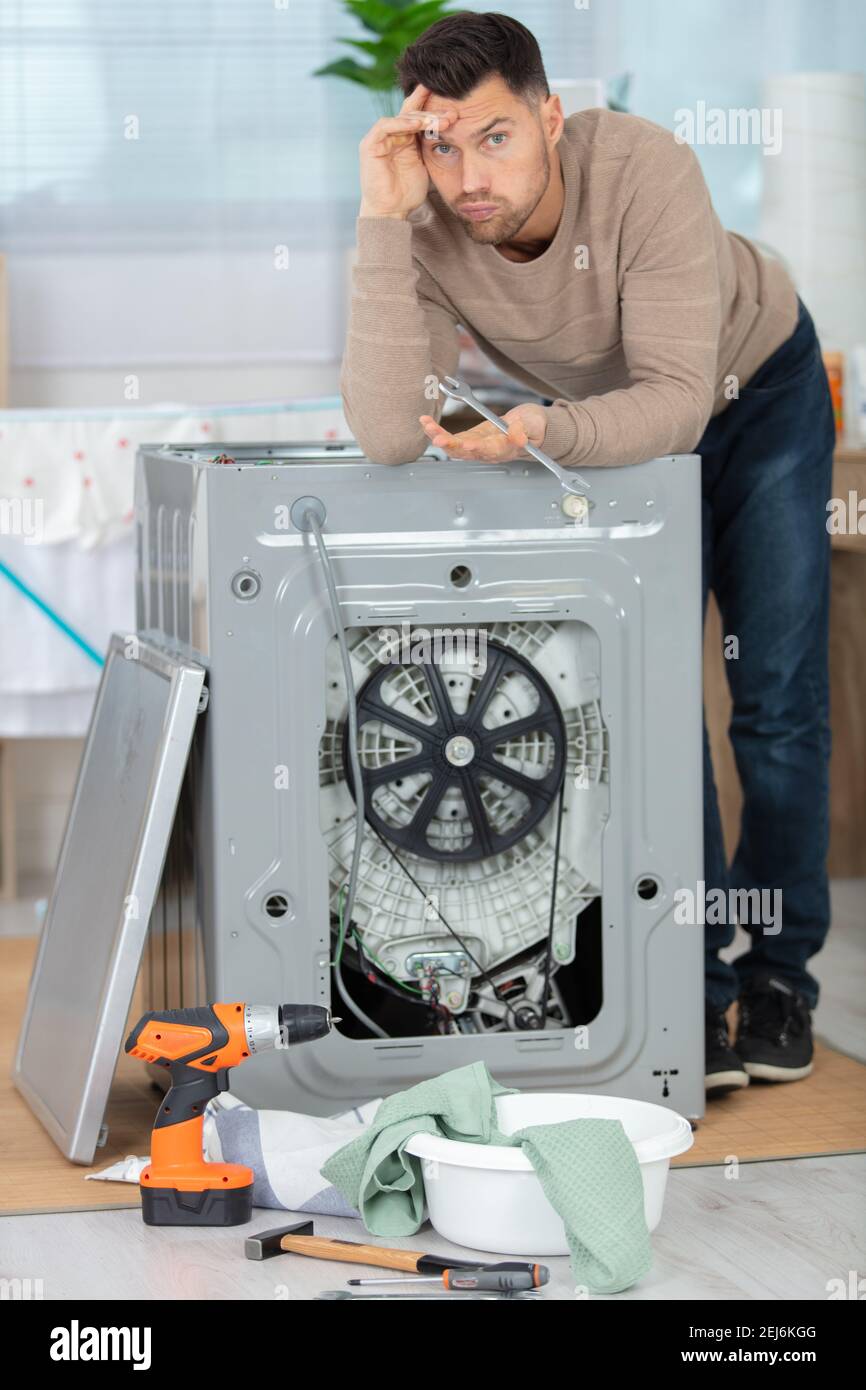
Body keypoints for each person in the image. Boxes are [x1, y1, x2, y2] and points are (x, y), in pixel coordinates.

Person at [340, 11, 835, 1096]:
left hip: (752, 392)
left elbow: (670, 396)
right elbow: (387, 432)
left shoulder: (643, 167)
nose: (468, 174)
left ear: (550, 117)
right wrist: (382, 223)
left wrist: (544, 431)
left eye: (496, 137)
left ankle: (781, 972)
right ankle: (693, 990)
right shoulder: (426, 218)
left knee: (771, 694)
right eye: (441, 143)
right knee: (655, 701)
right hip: (603, 420)